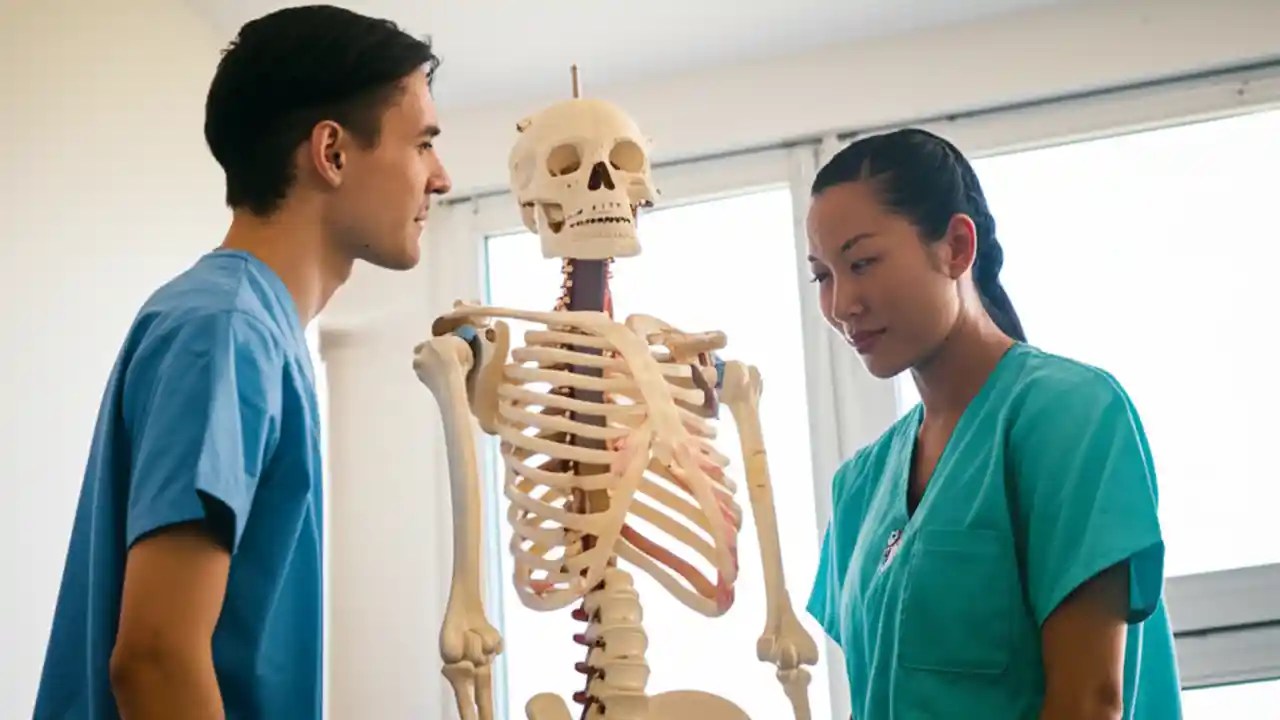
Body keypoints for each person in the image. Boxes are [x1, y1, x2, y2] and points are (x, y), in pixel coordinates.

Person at [34, 5, 451, 718]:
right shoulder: (225, 331)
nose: (439, 179)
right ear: (333, 152)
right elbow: (156, 659)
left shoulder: (251, 331)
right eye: (422, 145)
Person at [803, 128, 1181, 718]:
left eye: (863, 262)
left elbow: (1089, 702)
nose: (841, 303)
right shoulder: (859, 487)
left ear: (955, 246)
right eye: (823, 276)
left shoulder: (1070, 416)